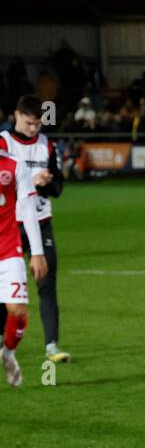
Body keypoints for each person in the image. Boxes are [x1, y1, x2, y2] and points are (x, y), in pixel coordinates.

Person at [0, 95, 68, 364]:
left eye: (38, 124)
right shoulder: (3, 144)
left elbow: (58, 188)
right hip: (8, 227)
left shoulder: (48, 146)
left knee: (47, 285)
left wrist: (44, 184)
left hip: (41, 224)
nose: (33, 129)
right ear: (16, 116)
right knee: (6, 289)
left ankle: (52, 346)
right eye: (29, 123)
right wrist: (29, 182)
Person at [0, 144, 45, 387]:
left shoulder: (14, 164)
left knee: (17, 311)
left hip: (9, 250)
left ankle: (8, 353)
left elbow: (27, 209)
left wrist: (37, 252)